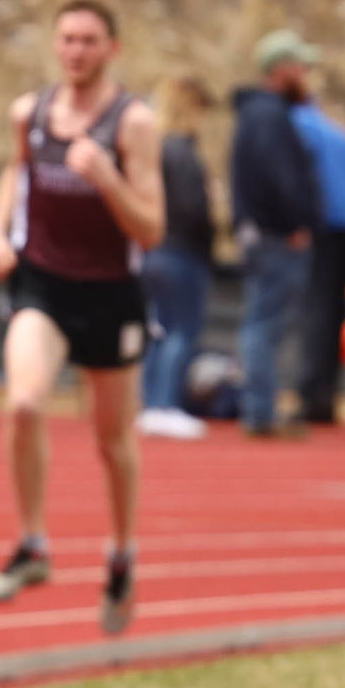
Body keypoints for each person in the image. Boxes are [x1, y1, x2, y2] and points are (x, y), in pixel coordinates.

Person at [0, 0, 164, 636]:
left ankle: (121, 553)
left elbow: (153, 227)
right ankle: (32, 544)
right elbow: (16, 173)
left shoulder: (133, 123)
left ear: (114, 48)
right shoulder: (28, 113)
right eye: (68, 39)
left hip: (111, 295)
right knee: (24, 405)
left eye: (89, 40)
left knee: (112, 442)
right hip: (44, 284)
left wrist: (107, 179)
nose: (77, 51)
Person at [230, 29, 322, 437]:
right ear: (281, 69)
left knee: (261, 322)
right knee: (265, 324)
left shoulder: (258, 113)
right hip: (276, 235)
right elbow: (277, 175)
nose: (305, 73)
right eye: (300, 65)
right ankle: (260, 412)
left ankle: (259, 409)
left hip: (263, 232)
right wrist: (296, 222)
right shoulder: (269, 115)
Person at [136, 76, 218, 441]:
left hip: (153, 249)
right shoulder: (182, 151)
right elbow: (192, 208)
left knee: (159, 330)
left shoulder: (153, 149)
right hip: (181, 250)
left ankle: (150, 403)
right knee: (181, 330)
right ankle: (164, 405)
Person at [290, 94, 345, 425]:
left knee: (317, 311)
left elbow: (296, 177)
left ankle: (313, 394)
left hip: (323, 225)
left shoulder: (297, 126)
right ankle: (326, 394)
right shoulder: (341, 134)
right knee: (332, 311)